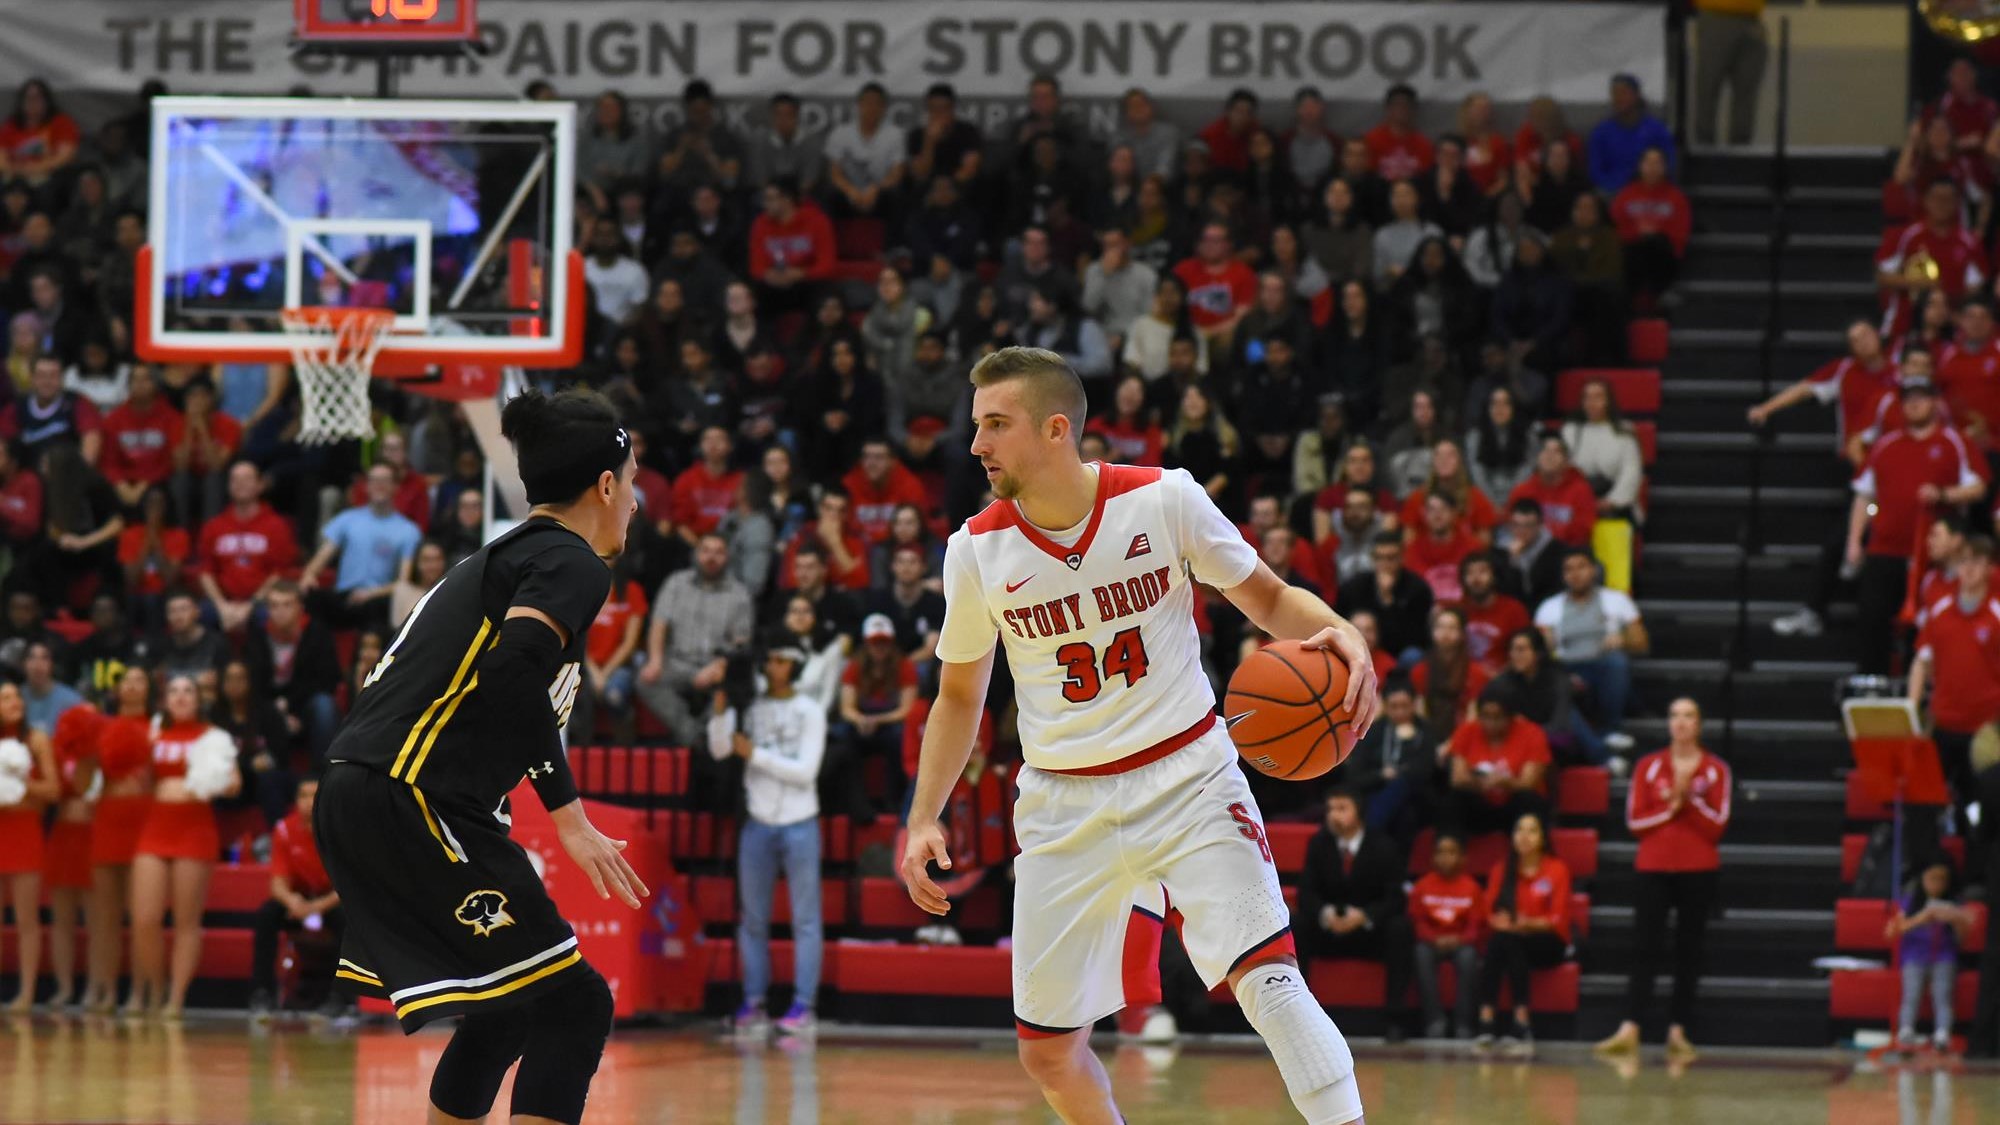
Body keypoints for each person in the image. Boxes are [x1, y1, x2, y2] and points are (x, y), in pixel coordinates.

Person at [901, 347, 1378, 1124]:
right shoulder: (974, 550)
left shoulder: (1165, 500)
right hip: (1061, 803)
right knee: (1048, 1050)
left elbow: (1266, 596)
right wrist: (925, 813)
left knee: (1271, 979)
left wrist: (1339, 631)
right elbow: (960, 695)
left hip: (1188, 774)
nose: (976, 444)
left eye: (995, 424)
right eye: (977, 424)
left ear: (1057, 430)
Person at [315, 389, 647, 1125]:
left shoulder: (502, 558)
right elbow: (509, 673)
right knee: (576, 1004)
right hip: (411, 795)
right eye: (632, 480)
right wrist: (569, 816)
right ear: (604, 485)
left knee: (507, 1008)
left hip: (365, 788)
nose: (636, 498)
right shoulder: (571, 561)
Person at [1597, 697, 1731, 1061]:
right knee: (1644, 948)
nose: (1681, 722)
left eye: (1689, 715)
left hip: (1698, 869)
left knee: (1689, 951)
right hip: (1653, 867)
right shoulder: (1648, 766)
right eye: (1674, 715)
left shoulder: (1716, 769)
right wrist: (1671, 809)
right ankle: (1630, 1026)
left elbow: (1716, 827)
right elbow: (1635, 822)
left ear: (1700, 724)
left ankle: (1679, 1029)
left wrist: (1690, 802)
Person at [709, 643, 829, 1039]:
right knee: (753, 921)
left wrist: (756, 756)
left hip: (800, 820)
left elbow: (806, 772)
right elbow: (719, 748)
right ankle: (754, 1001)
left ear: (795, 667)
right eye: (771, 659)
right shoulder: (751, 706)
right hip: (757, 822)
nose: (775, 666)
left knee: (806, 920)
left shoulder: (810, 711)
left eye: (783, 660)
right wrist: (722, 706)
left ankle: (804, 1006)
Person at [1845, 377, 1984, 674]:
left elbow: (1978, 486)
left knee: (1923, 626)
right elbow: (1865, 496)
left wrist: (1944, 494)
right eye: (1908, 399)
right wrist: (1855, 541)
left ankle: (1915, 688)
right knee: (1873, 617)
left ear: (1935, 402)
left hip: (1933, 555)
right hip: (1885, 549)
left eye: (1921, 398)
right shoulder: (1886, 444)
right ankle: (1873, 683)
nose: (1914, 404)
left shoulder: (1953, 441)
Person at [128, 673, 240, 1018]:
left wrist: (214, 782)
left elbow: (235, 784)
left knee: (185, 921)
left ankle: (175, 1000)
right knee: (145, 918)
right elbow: (141, 780)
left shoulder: (214, 737)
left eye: (187, 690)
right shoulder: (154, 734)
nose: (180, 696)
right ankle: (155, 987)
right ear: (164, 699)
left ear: (198, 699)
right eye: (174, 691)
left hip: (194, 827)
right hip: (155, 825)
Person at [1296, 789, 1415, 1042]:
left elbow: (1396, 897)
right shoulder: (1319, 843)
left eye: (1341, 809)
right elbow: (1306, 893)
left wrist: (1364, 916)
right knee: (1296, 924)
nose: (1333, 816)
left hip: (1369, 932)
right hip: (1329, 930)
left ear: (1359, 814)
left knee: (1400, 928)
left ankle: (1395, 1019)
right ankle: (1297, 1018)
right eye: (1330, 810)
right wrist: (1325, 914)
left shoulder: (1383, 845)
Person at [1908, 535, 2000, 837]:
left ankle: (1976, 876)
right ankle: (1926, 867)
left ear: (1989, 568)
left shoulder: (1997, 613)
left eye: (1976, 562)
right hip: (1944, 723)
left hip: (1985, 730)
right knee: (1920, 798)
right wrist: (1912, 709)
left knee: (1981, 806)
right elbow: (1922, 661)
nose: (1969, 569)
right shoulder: (1940, 610)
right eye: (1964, 562)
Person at [1474, 811, 1573, 1058]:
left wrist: (1524, 923)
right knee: (1505, 941)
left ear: (1542, 837)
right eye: (1520, 830)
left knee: (1508, 941)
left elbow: (1557, 919)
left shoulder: (1556, 869)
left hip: (1548, 942)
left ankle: (1487, 1017)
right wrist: (1501, 922)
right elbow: (1488, 911)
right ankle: (1518, 1020)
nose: (1525, 836)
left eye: (1532, 830)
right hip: (1513, 939)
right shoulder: (1502, 869)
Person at [248, 772, 343, 1019]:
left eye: (314, 795)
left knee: (347, 920)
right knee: (266, 915)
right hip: (299, 899)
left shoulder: (340, 829)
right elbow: (277, 884)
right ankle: (262, 994)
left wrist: (317, 907)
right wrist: (293, 902)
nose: (308, 801)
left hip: (330, 899)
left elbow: (347, 887)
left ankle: (338, 998)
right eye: (303, 795)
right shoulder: (284, 830)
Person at [1535, 549, 1646, 760]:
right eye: (1569, 569)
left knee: (1616, 662)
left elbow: (1642, 642)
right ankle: (1601, 753)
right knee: (1555, 684)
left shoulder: (1617, 600)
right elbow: (1541, 652)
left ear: (1594, 570)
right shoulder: (1549, 608)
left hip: (1604, 668)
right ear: (1562, 575)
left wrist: (1623, 639)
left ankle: (1611, 729)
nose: (1575, 574)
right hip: (1567, 668)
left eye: (1581, 567)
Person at [85, 666, 151, 1012]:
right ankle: (105, 989)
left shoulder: (158, 728)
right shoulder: (102, 728)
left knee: (141, 916)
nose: (132, 686)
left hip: (144, 822)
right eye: (126, 681)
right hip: (108, 820)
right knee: (105, 916)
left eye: (139, 680)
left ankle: (139, 992)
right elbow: (88, 780)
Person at [300, 463, 421, 629]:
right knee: (312, 599)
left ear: (395, 487)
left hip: (378, 597)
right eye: (374, 480)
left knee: (379, 608)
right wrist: (309, 575)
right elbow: (320, 559)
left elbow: (403, 582)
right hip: (344, 597)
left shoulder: (408, 530)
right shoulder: (347, 519)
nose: (379, 485)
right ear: (367, 486)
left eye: (385, 480)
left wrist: (370, 594)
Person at [0, 682, 58, 1010]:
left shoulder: (36, 740)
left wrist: (20, 782)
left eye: (17, 697)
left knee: (26, 919)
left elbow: (52, 790)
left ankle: (27, 991)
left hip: (24, 831)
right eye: (5, 698)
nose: (14, 702)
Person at [194, 460, 299, 633]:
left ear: (260, 485)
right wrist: (222, 607)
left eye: (247, 479)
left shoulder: (276, 525)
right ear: (229, 486)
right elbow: (206, 572)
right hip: (224, 601)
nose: (240, 484)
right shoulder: (214, 526)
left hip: (261, 601)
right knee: (198, 612)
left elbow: (278, 573)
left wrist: (250, 606)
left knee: (269, 614)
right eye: (235, 479)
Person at [243, 581, 341, 760]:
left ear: (300, 607)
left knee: (324, 705)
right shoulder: (258, 635)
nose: (280, 611)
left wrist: (290, 705)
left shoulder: (317, 632)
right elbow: (253, 684)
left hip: (304, 704)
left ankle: (323, 773)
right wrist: (276, 714)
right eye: (274, 605)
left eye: (287, 604)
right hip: (268, 706)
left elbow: (328, 680)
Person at [1440, 683, 1551, 837]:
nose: (1491, 723)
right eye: (1485, 716)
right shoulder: (1467, 731)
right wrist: (1479, 783)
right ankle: (1450, 852)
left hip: (1513, 803)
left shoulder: (1532, 733)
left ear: (1511, 716)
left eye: (1498, 717)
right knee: (1453, 800)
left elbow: (1528, 782)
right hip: (1481, 802)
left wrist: (1505, 782)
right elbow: (1457, 778)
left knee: (1528, 799)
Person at [1888, 859, 1975, 1054]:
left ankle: (1943, 1034)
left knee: (1942, 996)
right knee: (1911, 994)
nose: (1936, 883)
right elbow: (1893, 930)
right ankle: (1906, 1031)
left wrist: (1956, 920)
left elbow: (1963, 938)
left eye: (1941, 879)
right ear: (1923, 879)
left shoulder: (1954, 903)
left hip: (1944, 957)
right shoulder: (1911, 901)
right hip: (1914, 956)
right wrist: (1923, 917)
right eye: (1932, 878)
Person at [1336, 679, 1435, 846]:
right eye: (1394, 706)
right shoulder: (1373, 731)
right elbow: (1355, 774)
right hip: (1376, 793)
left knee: (1402, 790)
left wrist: (1399, 771)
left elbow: (1426, 771)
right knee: (1402, 816)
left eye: (1405, 706)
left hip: (1415, 797)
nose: (1400, 712)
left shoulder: (1425, 731)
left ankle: (1368, 838)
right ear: (1385, 706)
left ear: (1414, 705)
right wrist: (1381, 775)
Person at [1408, 831, 1486, 1040]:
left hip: (1461, 942)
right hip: (1432, 942)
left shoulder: (1471, 888)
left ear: (1462, 857)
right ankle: (1435, 1021)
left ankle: (1464, 1024)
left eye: (1451, 852)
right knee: (1420, 953)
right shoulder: (1422, 886)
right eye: (1441, 852)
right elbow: (1418, 922)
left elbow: (1475, 925)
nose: (1446, 857)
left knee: (1469, 957)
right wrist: (1434, 939)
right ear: (1433, 857)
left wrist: (1461, 940)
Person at [1587, 74, 1676, 194]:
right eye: (1615, 94)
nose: (1618, 98)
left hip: (1649, 192)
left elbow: (1669, 164)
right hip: (1612, 194)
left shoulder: (1656, 130)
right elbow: (1595, 171)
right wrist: (1616, 188)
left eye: (1623, 93)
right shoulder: (1601, 132)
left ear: (1636, 96)